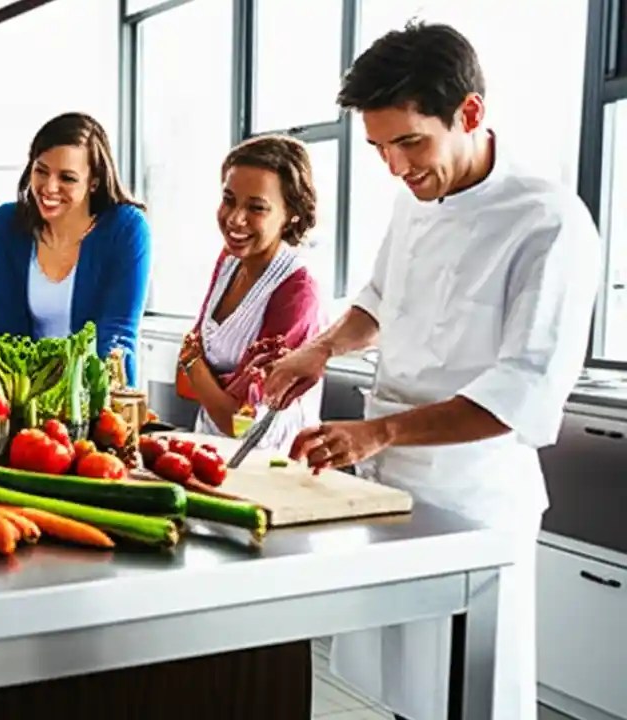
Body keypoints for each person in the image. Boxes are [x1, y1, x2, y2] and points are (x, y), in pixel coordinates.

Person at [263, 22, 601, 720]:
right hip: (392, 493)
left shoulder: (551, 223)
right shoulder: (412, 200)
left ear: (469, 113)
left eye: (410, 141)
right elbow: (379, 304)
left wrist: (375, 433)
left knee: (469, 697)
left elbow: (520, 395)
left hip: (475, 497)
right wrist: (320, 349)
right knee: (404, 694)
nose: (395, 166)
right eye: (380, 147)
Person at [0, 112, 151, 386]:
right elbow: (7, 338)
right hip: (29, 396)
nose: (49, 188)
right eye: (41, 171)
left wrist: (93, 410)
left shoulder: (126, 229)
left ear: (93, 181)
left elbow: (117, 337)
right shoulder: (5, 227)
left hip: (99, 397)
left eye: (68, 178)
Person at [176, 135, 323, 447]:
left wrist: (194, 363)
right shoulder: (230, 259)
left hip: (269, 464)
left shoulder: (297, 291)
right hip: (211, 447)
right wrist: (208, 376)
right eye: (229, 199)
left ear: (291, 214)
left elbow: (241, 423)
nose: (235, 218)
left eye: (256, 207)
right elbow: (188, 375)